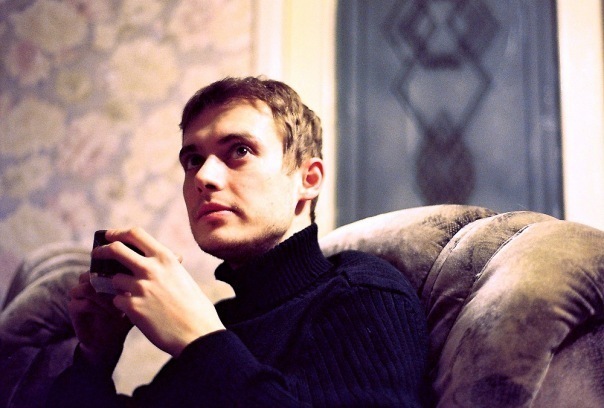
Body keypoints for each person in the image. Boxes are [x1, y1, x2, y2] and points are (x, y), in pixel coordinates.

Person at [47, 76, 428, 407]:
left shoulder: (362, 294)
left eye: (239, 151)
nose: (204, 177)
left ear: (308, 179)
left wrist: (201, 341)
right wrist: (95, 359)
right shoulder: (227, 319)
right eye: (193, 160)